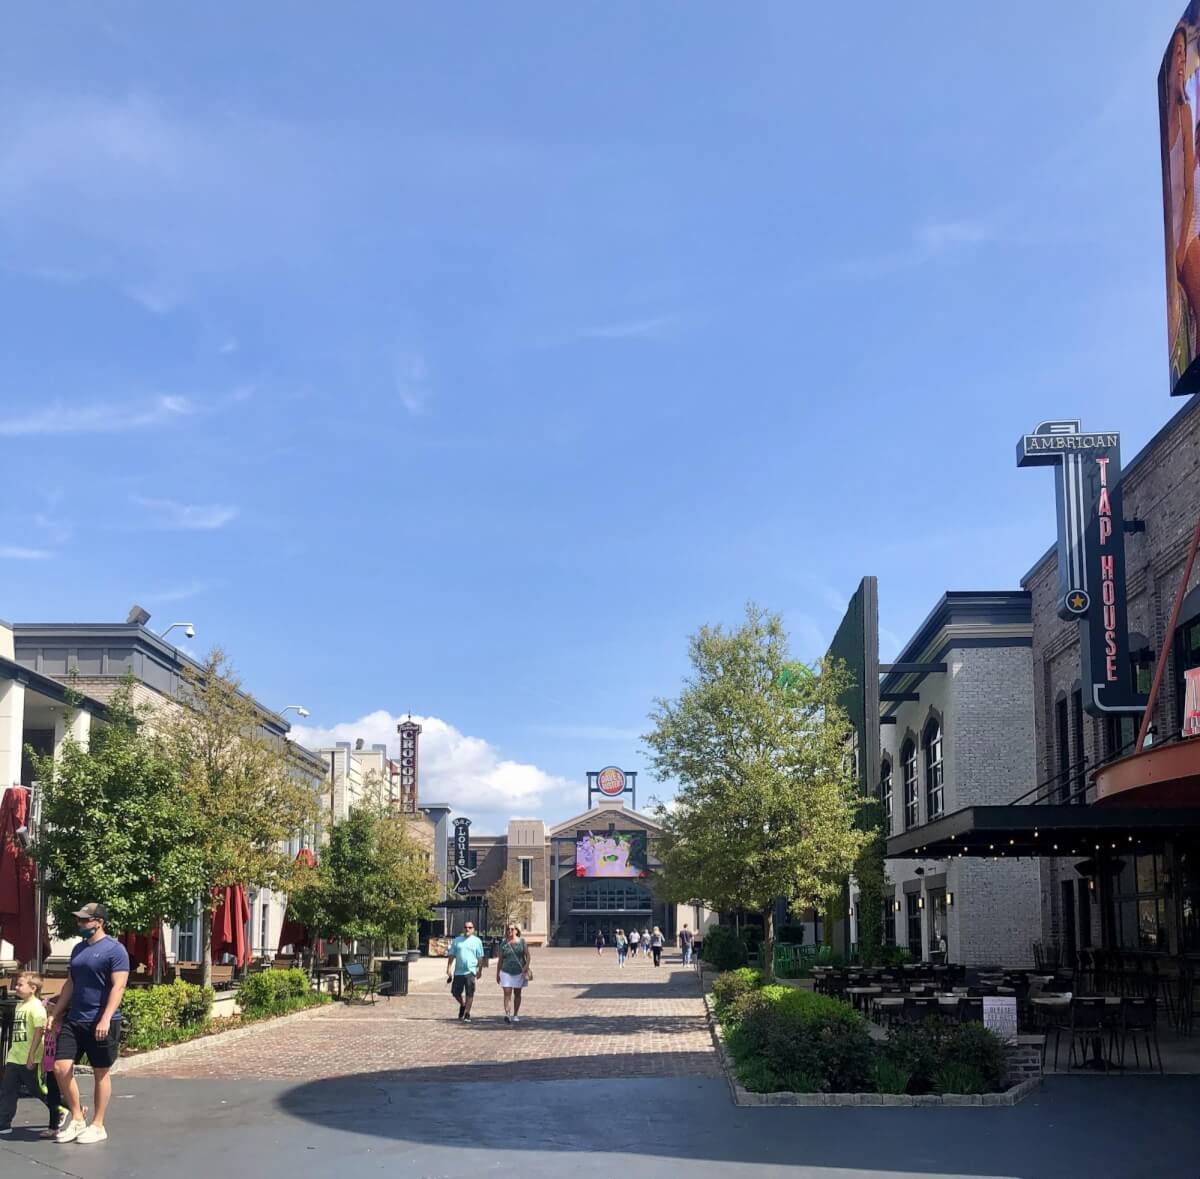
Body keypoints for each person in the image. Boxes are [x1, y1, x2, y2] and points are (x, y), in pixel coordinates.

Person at [46, 902, 129, 1145]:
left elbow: (119, 986)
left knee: (100, 1071)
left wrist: (105, 1018)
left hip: (101, 1021)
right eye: (79, 920)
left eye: (84, 920)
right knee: (61, 1068)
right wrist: (57, 1012)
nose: (80, 924)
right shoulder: (78, 949)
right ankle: (77, 1118)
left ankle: (98, 1124)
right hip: (75, 1019)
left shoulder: (115, 950)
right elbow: (71, 983)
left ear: (99, 922)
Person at [0, 973, 60, 1139]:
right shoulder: (20, 1006)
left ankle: (60, 1108)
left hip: (30, 1057)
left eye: (20, 985)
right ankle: (4, 1123)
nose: (16, 987)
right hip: (14, 1056)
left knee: (37, 1089)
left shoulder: (36, 1007)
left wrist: (32, 1055)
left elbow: (39, 1031)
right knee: (7, 1090)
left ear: (33, 989)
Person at [445, 921, 485, 1022]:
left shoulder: (477, 941)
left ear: (473, 929)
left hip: (470, 971)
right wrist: (449, 968)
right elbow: (451, 955)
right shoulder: (457, 940)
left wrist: (480, 970)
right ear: (463, 929)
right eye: (466, 927)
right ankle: (463, 1005)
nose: (467, 929)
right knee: (455, 992)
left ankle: (467, 1013)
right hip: (458, 971)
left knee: (470, 993)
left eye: (470, 927)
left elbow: (480, 957)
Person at [496, 923, 531, 1023]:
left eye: (512, 929)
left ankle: (515, 1014)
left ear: (516, 930)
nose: (510, 931)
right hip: (506, 970)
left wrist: (526, 966)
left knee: (517, 993)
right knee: (507, 992)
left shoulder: (522, 942)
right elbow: (500, 960)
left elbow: (527, 955)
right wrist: (497, 973)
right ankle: (507, 1014)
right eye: (508, 929)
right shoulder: (503, 944)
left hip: (519, 971)